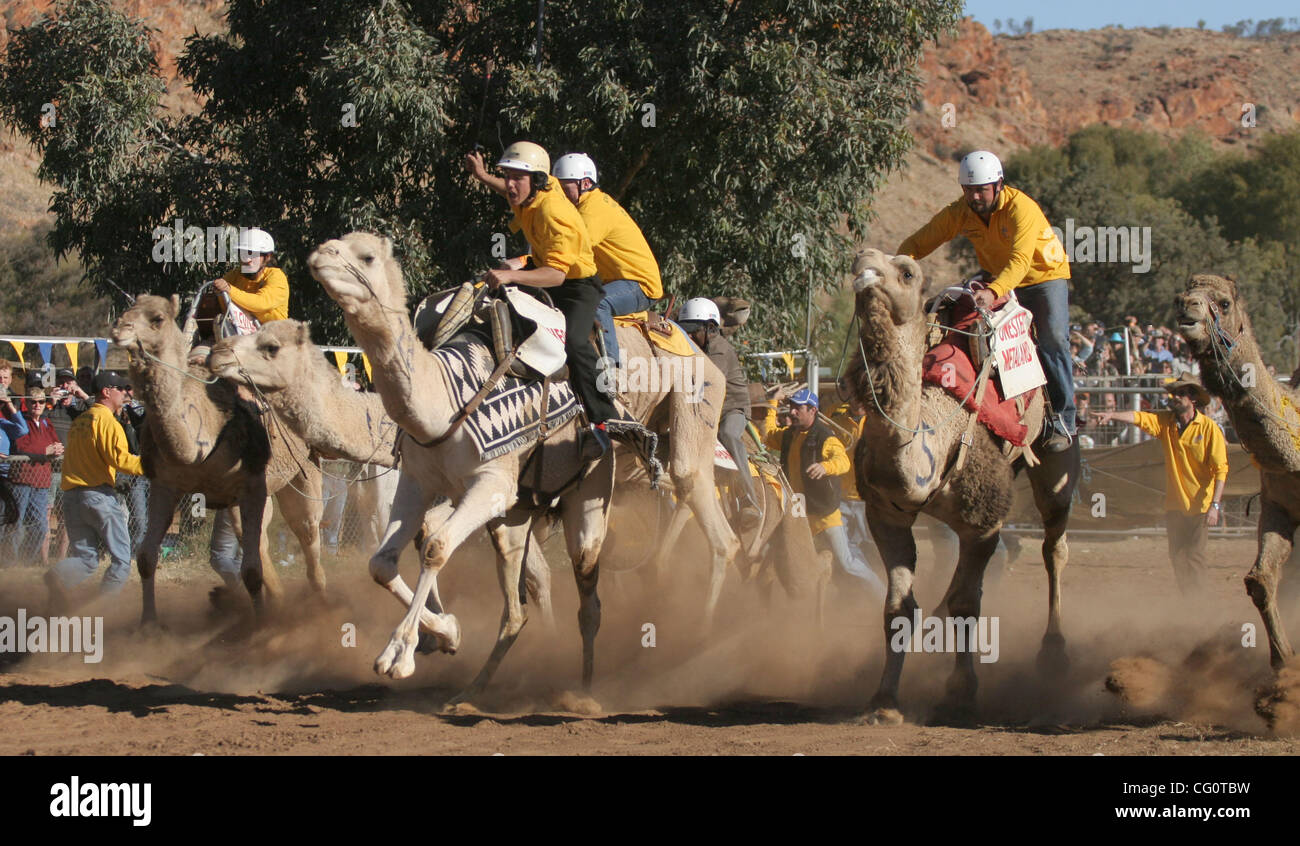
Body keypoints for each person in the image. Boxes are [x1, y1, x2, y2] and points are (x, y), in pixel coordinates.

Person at [896, 150, 1075, 452]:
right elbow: (923, 239)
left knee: (1054, 337)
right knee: (951, 316)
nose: (975, 197)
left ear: (998, 185)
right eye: (969, 190)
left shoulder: (1023, 209)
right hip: (996, 275)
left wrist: (993, 291)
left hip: (1043, 277)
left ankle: (1063, 417)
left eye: (981, 189)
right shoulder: (960, 211)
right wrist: (899, 266)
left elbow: (1020, 261)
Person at [464, 141, 618, 455]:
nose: (509, 184)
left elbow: (557, 276)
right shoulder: (528, 194)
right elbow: (508, 188)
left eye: (516, 178)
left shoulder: (553, 211)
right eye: (506, 175)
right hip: (548, 271)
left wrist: (511, 274)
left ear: (536, 180)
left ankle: (605, 423)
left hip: (577, 287)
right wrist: (481, 176)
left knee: (574, 343)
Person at [1091, 375, 1228, 596]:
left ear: (1192, 399)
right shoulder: (1166, 422)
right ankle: (1189, 600)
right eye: (1173, 393)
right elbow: (1139, 417)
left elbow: (1221, 470)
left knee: (1194, 555)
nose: (1174, 397)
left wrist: (1215, 505)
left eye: (1180, 394)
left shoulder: (1209, 429)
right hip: (1175, 504)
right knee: (1177, 555)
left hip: (1200, 506)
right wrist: (1112, 415)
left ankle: (1201, 605)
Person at [765, 388, 884, 599]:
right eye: (791, 406)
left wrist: (825, 467)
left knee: (847, 563)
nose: (792, 412)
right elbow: (767, 435)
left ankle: (883, 596)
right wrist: (773, 403)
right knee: (791, 558)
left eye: (797, 408)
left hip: (824, 514)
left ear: (812, 411)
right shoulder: (788, 436)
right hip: (800, 512)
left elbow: (843, 461)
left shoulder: (826, 437)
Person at [551, 153, 664, 370]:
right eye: (558, 189)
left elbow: (572, 250)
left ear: (585, 183)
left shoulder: (594, 209)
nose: (561, 195)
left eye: (565, 189)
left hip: (639, 286)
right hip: (615, 281)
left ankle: (610, 367)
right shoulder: (578, 208)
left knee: (597, 303)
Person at [46, 371, 144, 604]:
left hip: (72, 496)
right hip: (98, 495)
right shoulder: (108, 422)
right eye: (120, 389)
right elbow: (120, 460)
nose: (125, 393)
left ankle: (56, 578)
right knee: (121, 560)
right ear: (106, 392)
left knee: (86, 559)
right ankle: (101, 610)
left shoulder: (81, 420)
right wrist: (152, 464)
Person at [677, 297, 760, 528]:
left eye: (694, 331)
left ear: (710, 328)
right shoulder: (694, 347)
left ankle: (748, 500)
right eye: (685, 331)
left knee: (728, 435)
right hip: (706, 409)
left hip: (731, 409)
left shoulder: (719, 350)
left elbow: (705, 385)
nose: (689, 336)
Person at [10, 387, 63, 565]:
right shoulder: (21, 421)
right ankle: (10, 562)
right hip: (21, 479)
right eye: (34, 401)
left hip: (41, 480)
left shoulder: (47, 423)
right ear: (27, 403)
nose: (38, 405)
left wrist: (57, 448)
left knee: (40, 526)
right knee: (16, 525)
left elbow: (55, 442)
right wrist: (44, 451)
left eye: (41, 401)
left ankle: (27, 561)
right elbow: (21, 446)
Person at [213, 227, 289, 324]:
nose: (247, 259)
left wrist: (229, 290)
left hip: (275, 334)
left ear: (267, 257)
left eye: (253, 254)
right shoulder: (234, 275)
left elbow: (261, 303)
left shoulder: (276, 276)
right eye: (244, 254)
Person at [115, 386, 150, 558]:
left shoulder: (143, 416)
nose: (127, 394)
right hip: (129, 473)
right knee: (135, 518)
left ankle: (144, 553)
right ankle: (131, 554)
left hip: (147, 473)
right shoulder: (116, 420)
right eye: (124, 390)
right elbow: (133, 447)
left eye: (130, 389)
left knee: (149, 519)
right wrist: (126, 422)